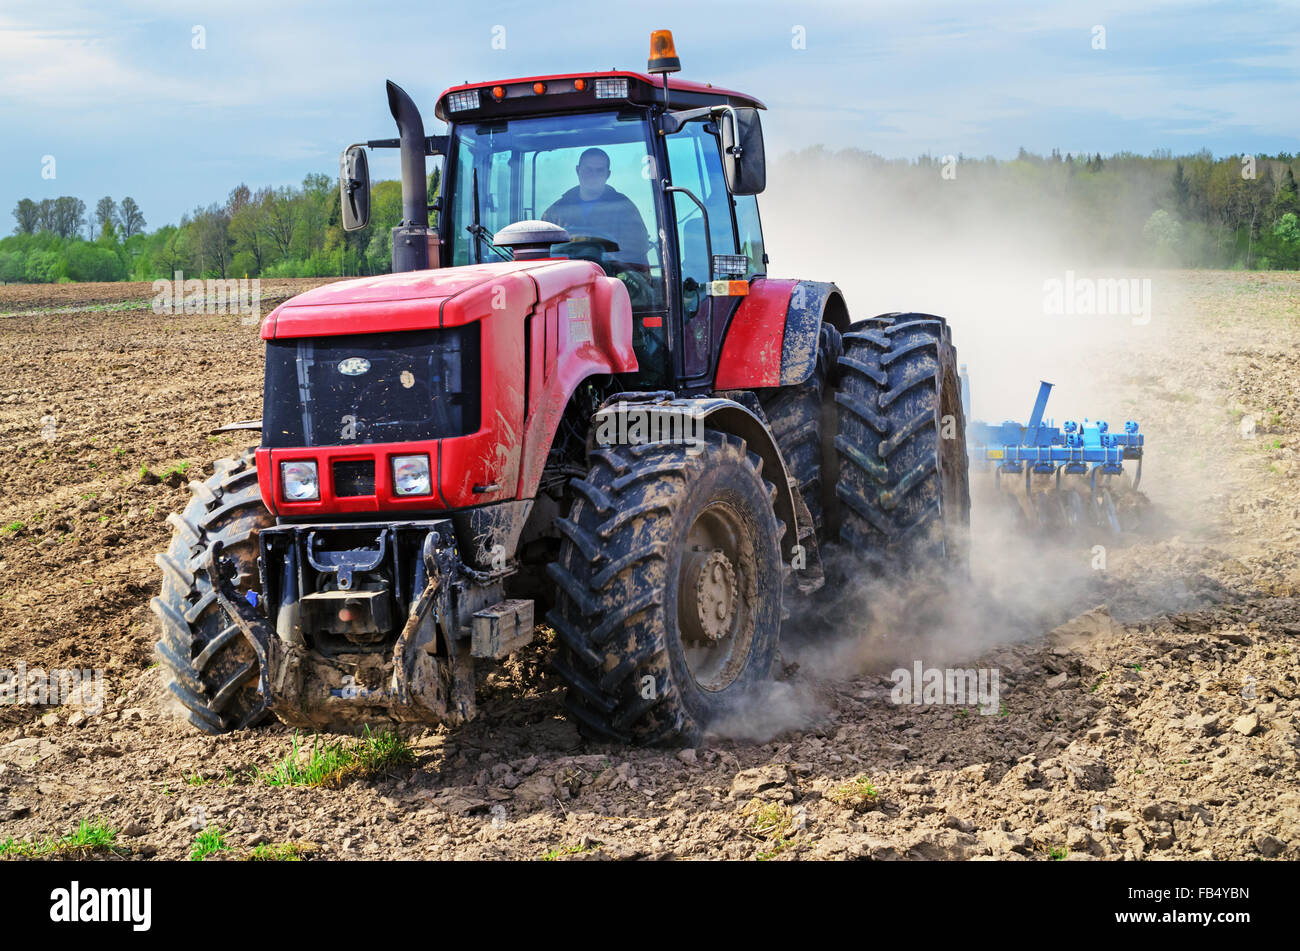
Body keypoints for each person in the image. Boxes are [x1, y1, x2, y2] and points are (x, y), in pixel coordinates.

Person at [542, 148, 650, 268]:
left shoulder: (624, 208)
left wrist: (602, 257)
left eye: (599, 170)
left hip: (612, 276)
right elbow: (541, 249)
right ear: (578, 170)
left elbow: (637, 247)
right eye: (588, 169)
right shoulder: (556, 211)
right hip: (566, 276)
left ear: (608, 174)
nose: (593, 175)